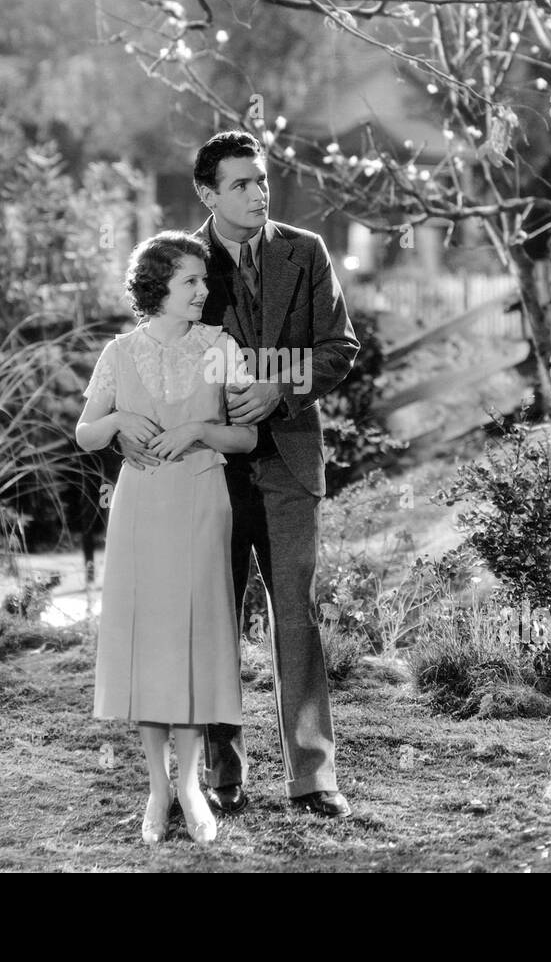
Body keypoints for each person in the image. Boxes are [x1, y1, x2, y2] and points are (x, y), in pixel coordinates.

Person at [116, 131, 360, 818]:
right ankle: (223, 774)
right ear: (206, 193)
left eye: (262, 181)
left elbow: (339, 347)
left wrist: (278, 389)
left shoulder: (306, 252)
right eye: (241, 184)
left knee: (297, 616)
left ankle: (314, 776)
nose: (258, 193)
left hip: (288, 463)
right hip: (208, 469)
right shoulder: (183, 263)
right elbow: (159, 352)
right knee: (212, 620)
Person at [76, 231, 257, 845]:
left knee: (194, 640)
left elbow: (248, 439)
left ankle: (190, 786)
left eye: (204, 281)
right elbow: (85, 434)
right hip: (142, 508)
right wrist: (119, 419)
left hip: (203, 502)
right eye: (191, 282)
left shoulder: (220, 346)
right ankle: (158, 786)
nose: (204, 291)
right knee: (151, 643)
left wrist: (203, 429)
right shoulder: (120, 352)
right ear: (157, 288)